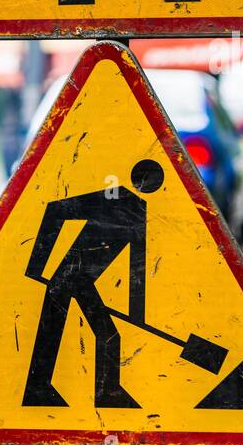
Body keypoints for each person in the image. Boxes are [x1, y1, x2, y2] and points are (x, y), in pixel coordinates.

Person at [20, 159, 164, 409]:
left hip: (81, 278)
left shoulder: (141, 213)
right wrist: (36, 267)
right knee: (103, 334)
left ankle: (39, 388)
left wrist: (137, 315)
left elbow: (136, 270)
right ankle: (106, 392)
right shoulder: (114, 197)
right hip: (70, 273)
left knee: (52, 328)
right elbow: (56, 210)